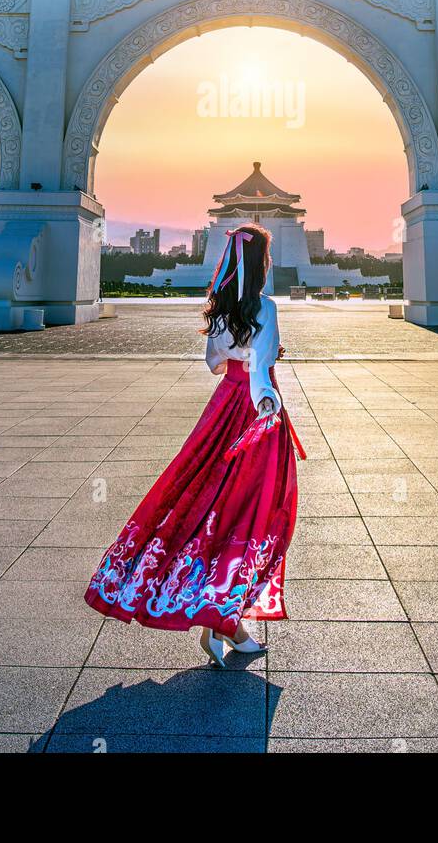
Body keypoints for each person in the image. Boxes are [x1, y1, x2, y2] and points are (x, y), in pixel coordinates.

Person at [84, 223, 304, 666]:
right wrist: (266, 395)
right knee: (256, 512)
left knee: (206, 502)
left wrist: (238, 354)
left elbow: (213, 363)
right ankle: (225, 621)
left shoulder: (220, 311)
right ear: (261, 265)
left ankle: (223, 622)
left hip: (222, 407)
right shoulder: (267, 307)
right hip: (256, 414)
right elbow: (260, 367)